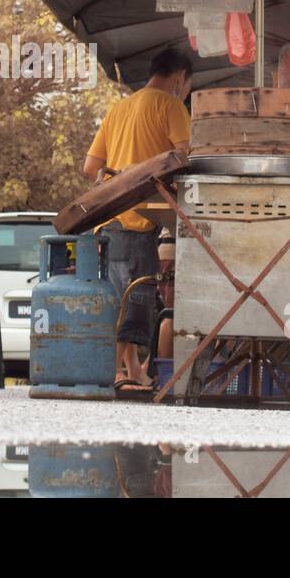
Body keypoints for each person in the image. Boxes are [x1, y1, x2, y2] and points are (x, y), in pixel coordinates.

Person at [83, 47, 192, 390]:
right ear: (179, 78)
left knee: (122, 296)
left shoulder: (120, 108)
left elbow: (90, 168)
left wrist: (120, 173)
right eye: (187, 86)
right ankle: (113, 372)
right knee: (135, 299)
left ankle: (131, 370)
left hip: (111, 221)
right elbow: (188, 156)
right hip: (138, 221)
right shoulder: (170, 105)